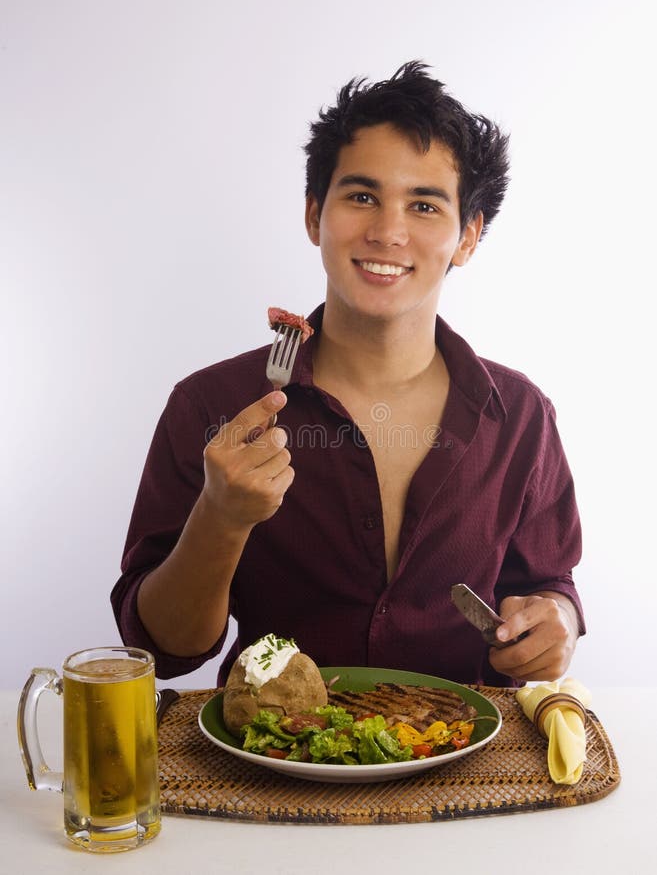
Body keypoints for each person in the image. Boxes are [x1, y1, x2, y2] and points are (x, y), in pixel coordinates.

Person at [111, 61, 584, 688]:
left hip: (464, 768)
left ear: (468, 237)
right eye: (362, 197)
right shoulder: (209, 405)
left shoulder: (521, 414)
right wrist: (220, 518)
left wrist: (557, 622)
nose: (388, 232)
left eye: (424, 205)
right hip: (272, 766)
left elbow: (549, 584)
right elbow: (167, 650)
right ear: (314, 215)